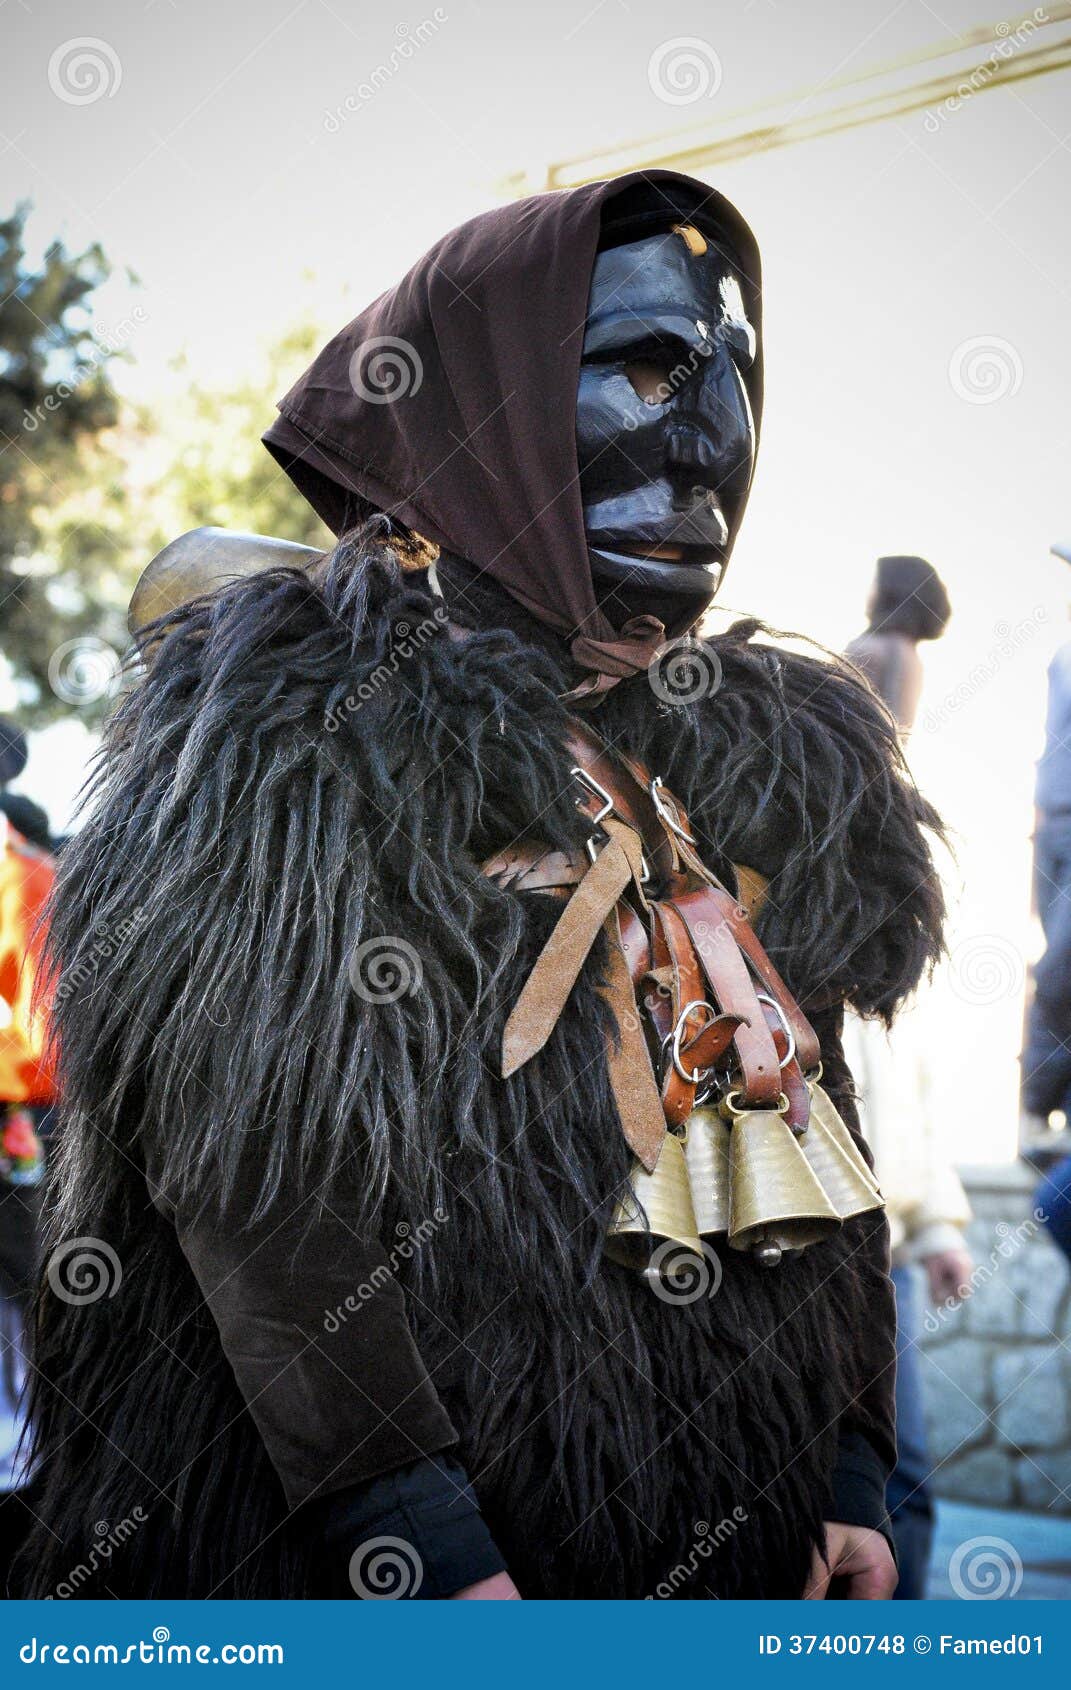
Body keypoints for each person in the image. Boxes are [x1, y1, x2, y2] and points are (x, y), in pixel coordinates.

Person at [17, 174, 944, 1601]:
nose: (707, 430)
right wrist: (422, 1544)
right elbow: (261, 1190)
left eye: (731, 373)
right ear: (493, 398)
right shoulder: (297, 729)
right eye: (642, 363)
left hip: (728, 1560)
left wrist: (844, 1476)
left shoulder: (760, 764)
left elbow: (809, 1129)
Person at [845, 560, 971, 1598]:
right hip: (829, 1222)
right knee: (875, 1471)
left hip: (878, 1230)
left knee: (900, 1467)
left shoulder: (893, 902)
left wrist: (935, 1229)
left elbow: (908, 1070)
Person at [0, 719, 55, 1531]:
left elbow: (44, 1042)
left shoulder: (26, 878)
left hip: (15, 1127)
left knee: (19, 1298)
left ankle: (21, 1476)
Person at [1022, 541, 1071, 1139]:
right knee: (1055, 955)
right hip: (1055, 823)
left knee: (1062, 963)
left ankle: (1039, 1098)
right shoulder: (1064, 652)